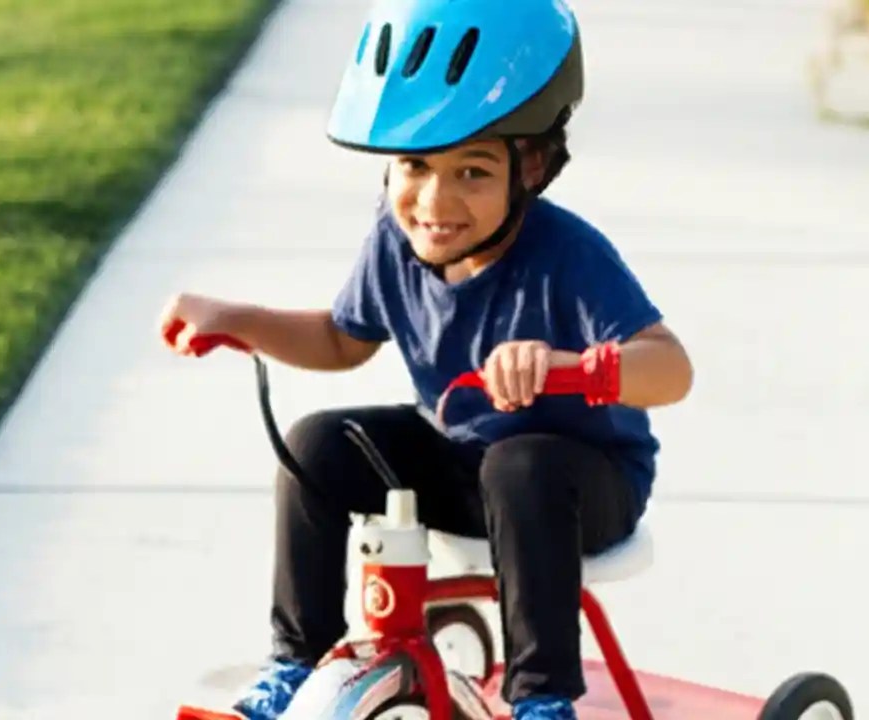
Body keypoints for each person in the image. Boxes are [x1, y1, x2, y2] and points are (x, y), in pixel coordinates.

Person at [158, 0, 694, 717]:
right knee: (317, 444)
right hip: (460, 463)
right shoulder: (397, 241)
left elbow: (671, 368)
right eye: (414, 165)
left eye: (473, 172)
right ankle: (296, 661)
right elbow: (343, 340)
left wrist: (569, 364)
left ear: (530, 164)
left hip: (578, 486)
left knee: (521, 464)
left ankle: (541, 701)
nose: (435, 202)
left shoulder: (567, 255)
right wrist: (239, 320)